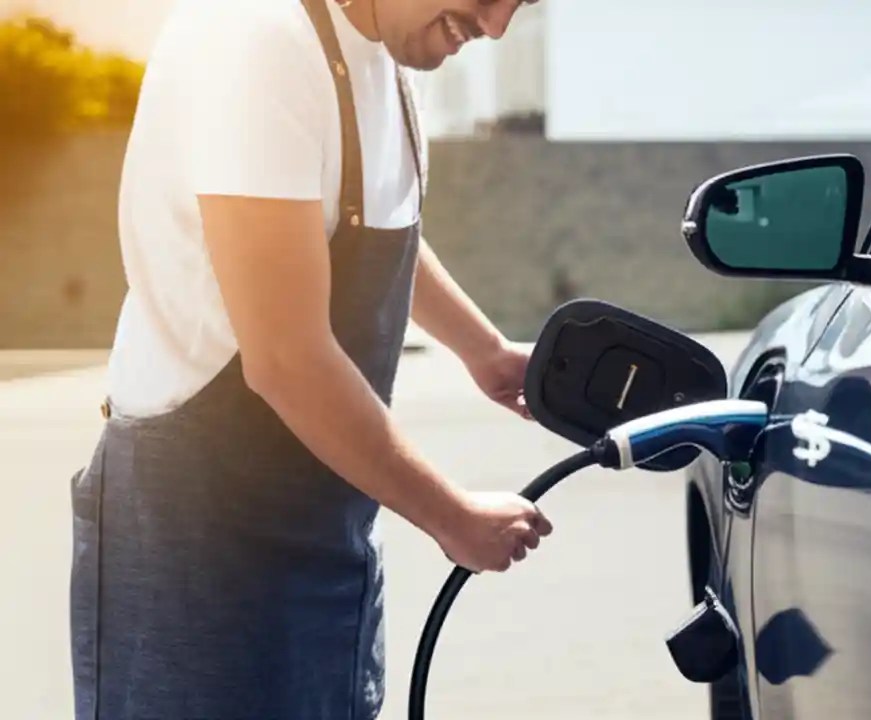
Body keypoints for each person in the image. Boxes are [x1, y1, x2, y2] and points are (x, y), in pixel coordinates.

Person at [69, 0, 547, 718]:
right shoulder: (255, 41)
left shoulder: (385, 63)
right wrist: (453, 516)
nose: (497, 25)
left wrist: (487, 353)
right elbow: (287, 358)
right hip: (195, 548)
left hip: (330, 540)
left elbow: (359, 227)